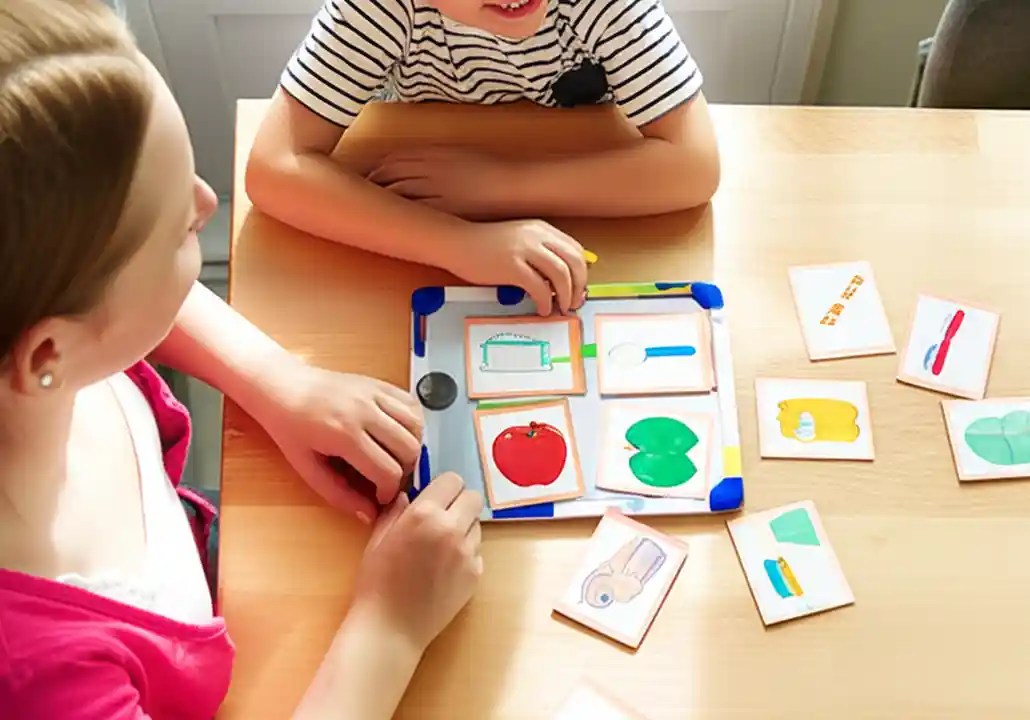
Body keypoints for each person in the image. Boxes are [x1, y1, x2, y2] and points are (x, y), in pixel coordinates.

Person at [0, 2, 482, 716]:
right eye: (176, 229)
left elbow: (123, 305)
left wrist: (279, 381)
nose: (205, 201)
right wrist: (390, 628)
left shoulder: (34, 336)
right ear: (48, 353)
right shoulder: (44, 684)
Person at [245, 0, 721, 317]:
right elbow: (274, 168)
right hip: (424, 231)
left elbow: (694, 165)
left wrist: (501, 187)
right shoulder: (381, 9)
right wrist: (458, 244)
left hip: (592, 217)